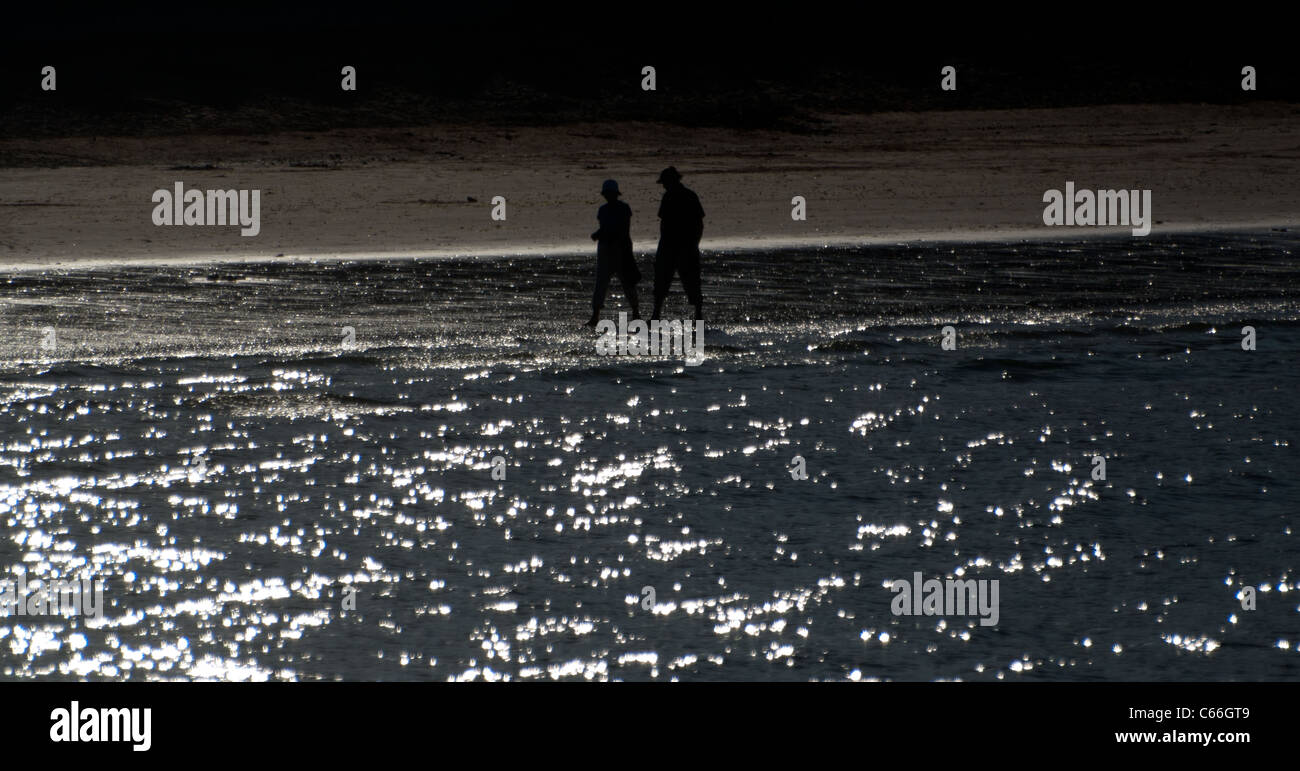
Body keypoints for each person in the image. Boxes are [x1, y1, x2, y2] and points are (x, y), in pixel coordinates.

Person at [652, 166, 705, 321]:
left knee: (662, 282)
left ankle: (656, 315)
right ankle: (698, 316)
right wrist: (695, 243)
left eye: (665, 182)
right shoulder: (690, 195)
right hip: (685, 246)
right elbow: (700, 223)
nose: (664, 186)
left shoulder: (669, 196)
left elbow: (663, 220)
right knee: (692, 282)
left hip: (671, 246)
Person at [587, 179, 641, 326]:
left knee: (616, 282)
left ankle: (634, 313)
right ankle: (597, 315)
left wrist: (598, 234)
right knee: (610, 283)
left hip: (615, 249)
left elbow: (614, 229)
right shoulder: (620, 208)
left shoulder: (606, 210)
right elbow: (617, 228)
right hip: (615, 248)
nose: (608, 196)